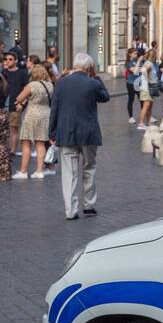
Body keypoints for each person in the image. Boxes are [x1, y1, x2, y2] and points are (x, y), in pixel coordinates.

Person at [49, 53, 110, 220]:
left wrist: (52, 132)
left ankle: (70, 210)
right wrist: (96, 76)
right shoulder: (92, 83)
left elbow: (55, 108)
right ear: (89, 67)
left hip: (66, 132)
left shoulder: (60, 83)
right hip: (88, 133)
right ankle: (89, 205)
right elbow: (105, 97)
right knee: (89, 167)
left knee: (69, 173)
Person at [13, 64, 55, 179]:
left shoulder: (32, 85)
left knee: (26, 143)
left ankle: (23, 171)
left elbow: (19, 98)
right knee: (40, 143)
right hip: (46, 113)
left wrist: (23, 100)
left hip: (33, 114)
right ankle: (39, 171)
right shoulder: (50, 85)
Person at [134, 50, 155, 130]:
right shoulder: (148, 63)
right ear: (153, 56)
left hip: (148, 88)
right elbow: (141, 70)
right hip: (146, 88)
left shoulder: (148, 63)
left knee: (149, 106)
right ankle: (141, 123)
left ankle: (148, 122)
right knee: (146, 106)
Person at [123, 47, 141, 124]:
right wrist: (139, 62)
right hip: (131, 83)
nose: (136, 55)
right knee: (131, 99)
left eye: (136, 53)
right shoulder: (129, 63)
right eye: (134, 53)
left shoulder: (136, 61)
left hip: (138, 83)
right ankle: (130, 117)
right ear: (130, 54)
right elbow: (134, 71)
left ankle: (146, 115)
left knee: (142, 99)